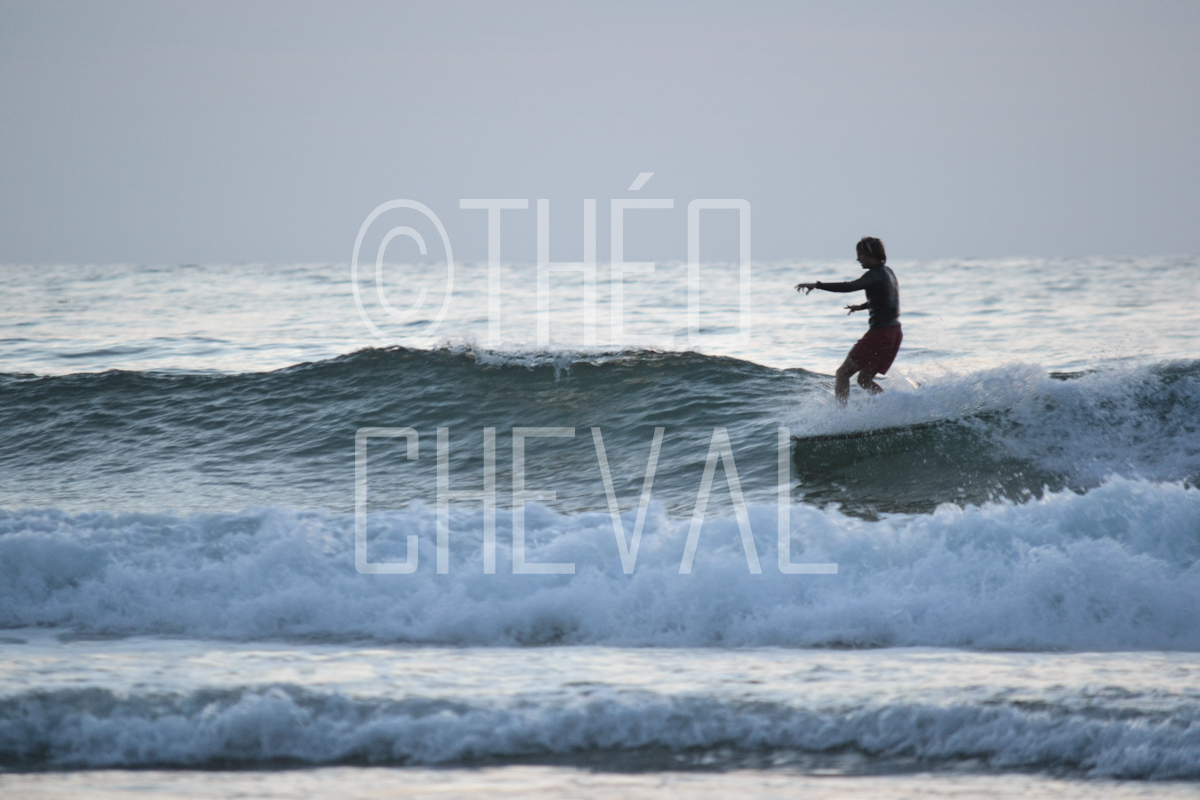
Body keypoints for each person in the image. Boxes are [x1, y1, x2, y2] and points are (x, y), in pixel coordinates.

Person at [795, 237, 901, 406]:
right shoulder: (888, 272)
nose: (858, 259)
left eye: (860, 254)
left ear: (869, 254)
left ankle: (840, 416)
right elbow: (887, 298)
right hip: (895, 332)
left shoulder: (873, 275)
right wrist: (861, 307)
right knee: (864, 379)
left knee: (842, 374)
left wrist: (817, 285)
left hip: (880, 334)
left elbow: (849, 287)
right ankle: (893, 406)